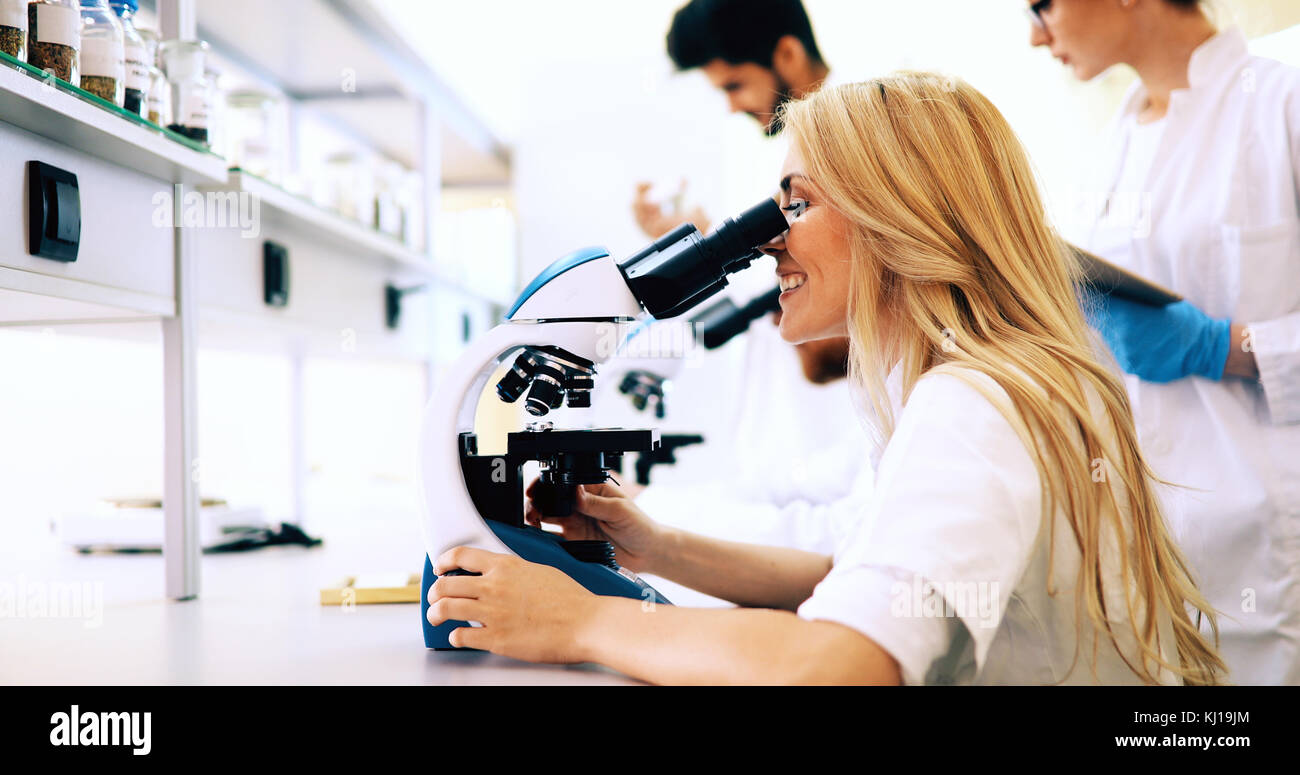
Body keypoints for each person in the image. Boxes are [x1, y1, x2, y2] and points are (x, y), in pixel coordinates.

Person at [428, 75, 1227, 685]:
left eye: (797, 206)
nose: (770, 244)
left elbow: (843, 665)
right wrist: (655, 547)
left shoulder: (978, 403)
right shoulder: (986, 377)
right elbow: (854, 573)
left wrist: (580, 623)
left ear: (898, 216)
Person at [1029, 0, 1300, 684]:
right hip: (1159, 551)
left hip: (1276, 546)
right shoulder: (1104, 160)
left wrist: (1220, 346)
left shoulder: (1281, 106)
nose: (1035, 35)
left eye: (1043, 5)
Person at [619, 0, 863, 556]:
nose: (732, 107)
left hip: (830, 465)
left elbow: (838, 342)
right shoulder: (783, 151)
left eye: (735, 85)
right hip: (790, 477)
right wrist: (702, 244)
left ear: (787, 53)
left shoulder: (852, 157)